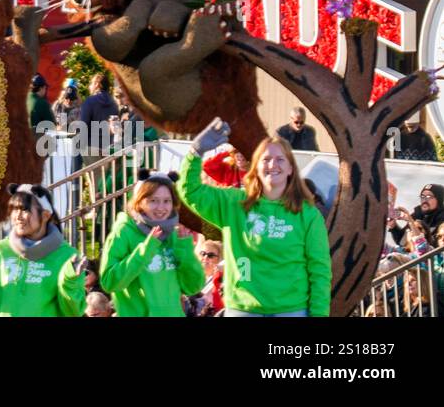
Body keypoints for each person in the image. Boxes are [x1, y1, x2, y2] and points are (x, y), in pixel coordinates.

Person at [177, 119, 331, 317]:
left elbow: (319, 271)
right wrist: (195, 151)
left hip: (291, 311)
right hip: (243, 309)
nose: (272, 164)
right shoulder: (234, 204)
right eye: (265, 159)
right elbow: (190, 191)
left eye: (280, 159)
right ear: (255, 167)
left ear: (291, 169)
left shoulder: (308, 214)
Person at [0, 184, 86, 317]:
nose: (17, 216)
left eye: (24, 209)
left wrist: (70, 281)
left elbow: (73, 312)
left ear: (45, 215)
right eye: (14, 209)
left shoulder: (68, 256)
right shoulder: (0, 250)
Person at [99, 168, 204, 316]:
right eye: (153, 201)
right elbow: (109, 282)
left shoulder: (175, 234)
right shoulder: (124, 231)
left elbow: (193, 287)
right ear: (139, 201)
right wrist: (146, 250)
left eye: (167, 201)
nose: (161, 208)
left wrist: (184, 249)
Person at [389, 185, 444, 249]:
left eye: (429, 197)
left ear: (439, 199)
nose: (424, 200)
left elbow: (431, 245)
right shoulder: (417, 214)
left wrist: (411, 222)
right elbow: (403, 243)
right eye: (422, 196)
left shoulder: (442, 218)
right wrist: (393, 227)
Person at [78, 74, 120, 159]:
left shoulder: (89, 101)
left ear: (97, 84)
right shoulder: (114, 103)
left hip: (91, 148)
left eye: (91, 84)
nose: (89, 86)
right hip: (108, 148)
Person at [192, 238, 224, 316]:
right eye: (203, 253)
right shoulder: (191, 278)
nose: (205, 257)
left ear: (219, 259)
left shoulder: (221, 281)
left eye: (211, 255)